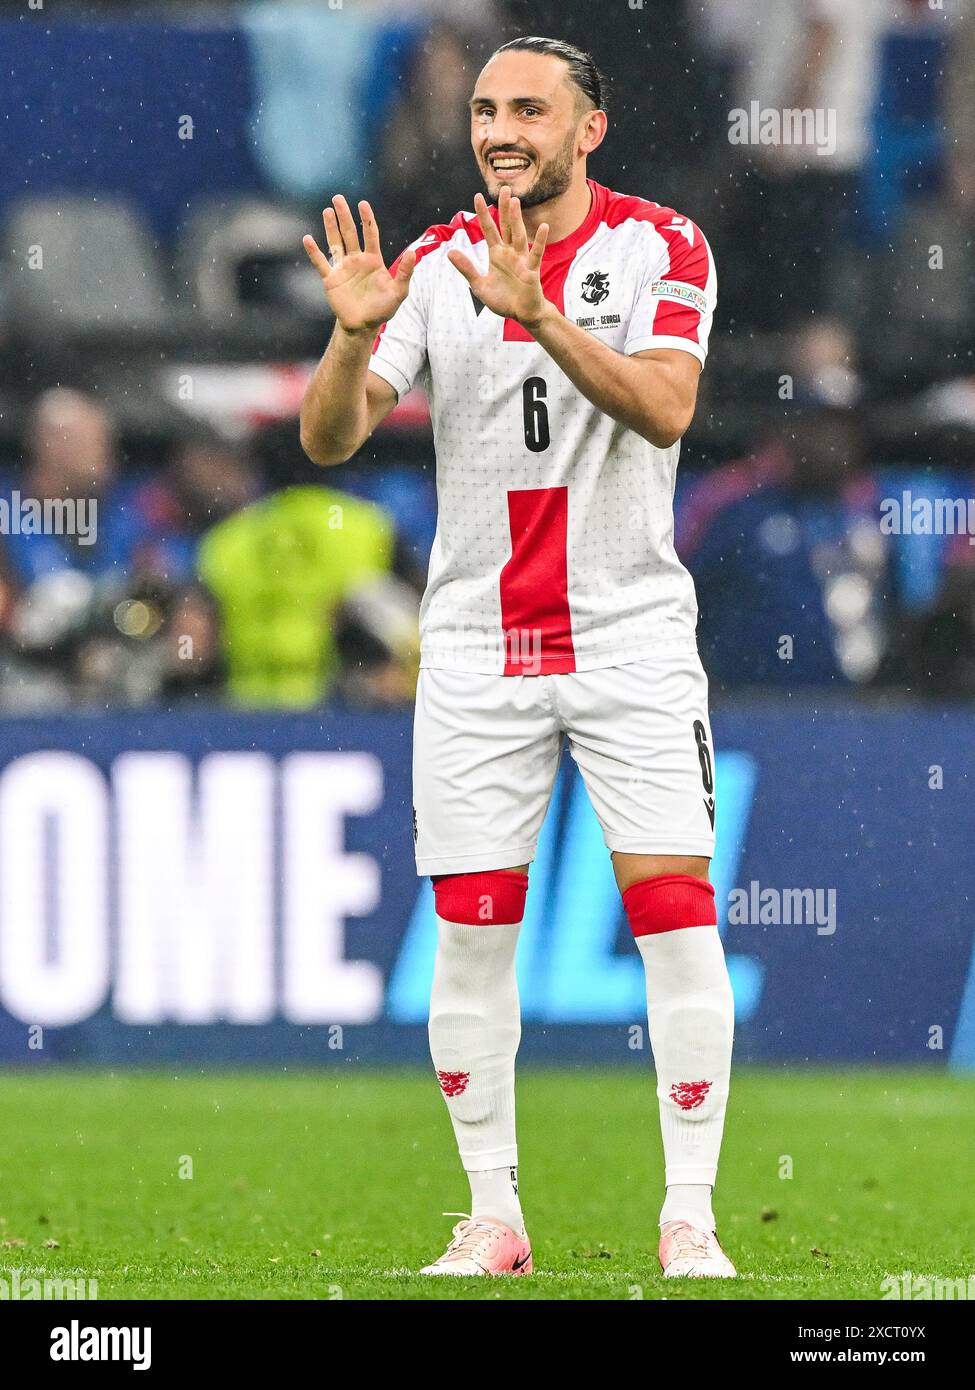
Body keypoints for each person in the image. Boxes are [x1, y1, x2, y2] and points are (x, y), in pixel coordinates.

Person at [300, 36, 735, 1279]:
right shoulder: (433, 265)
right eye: (487, 108)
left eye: (529, 110)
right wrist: (349, 339)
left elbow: (666, 407)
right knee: (474, 934)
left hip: (629, 636)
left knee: (674, 918)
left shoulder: (664, 247)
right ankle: (492, 1214)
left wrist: (539, 312)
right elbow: (332, 440)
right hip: (481, 648)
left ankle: (689, 1216)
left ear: (587, 129)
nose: (501, 129)